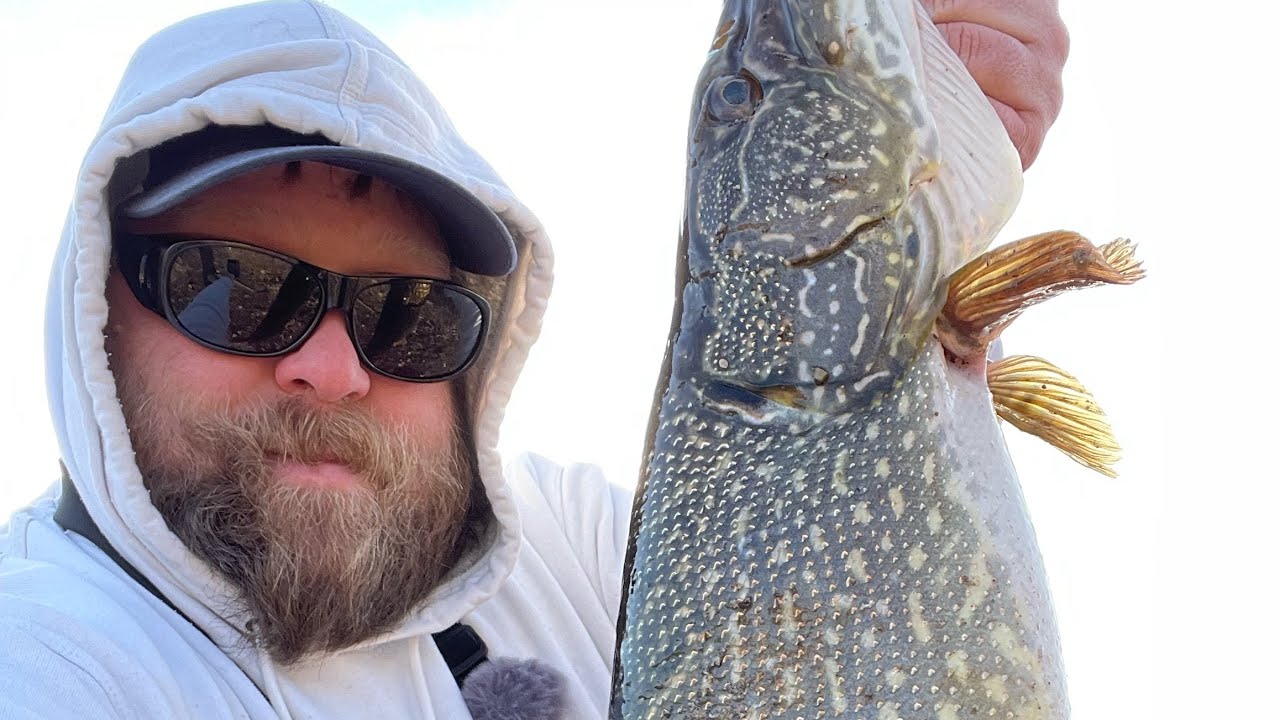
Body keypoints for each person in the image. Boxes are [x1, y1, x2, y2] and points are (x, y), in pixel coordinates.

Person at [0, 1, 1067, 718]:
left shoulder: (582, 556)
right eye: (232, 288)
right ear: (96, 310)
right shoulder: (51, 664)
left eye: (410, 315)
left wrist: (951, 115)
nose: (330, 368)